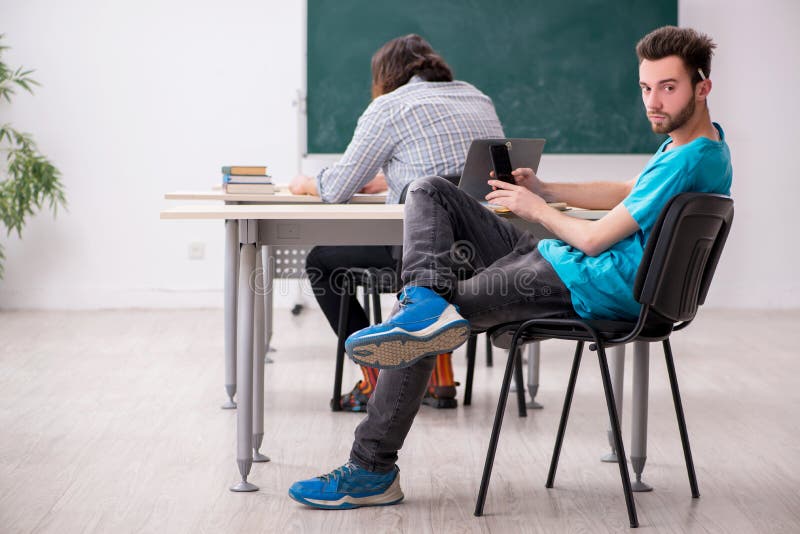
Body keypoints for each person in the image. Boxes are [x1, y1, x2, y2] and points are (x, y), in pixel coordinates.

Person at [288, 25, 732, 510]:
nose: (654, 101)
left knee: (424, 329)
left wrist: (533, 208)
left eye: (668, 87)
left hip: (585, 283)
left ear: (702, 86)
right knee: (430, 188)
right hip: (565, 267)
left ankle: (371, 468)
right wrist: (548, 189)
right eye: (647, 88)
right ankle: (423, 301)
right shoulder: (700, 148)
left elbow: (592, 236)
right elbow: (629, 189)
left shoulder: (687, 160)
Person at [289, 34, 504, 411]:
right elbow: (464, 177)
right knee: (442, 269)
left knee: (320, 261)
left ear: (385, 76)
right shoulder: (476, 96)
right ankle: (439, 380)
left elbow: (337, 189)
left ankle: (375, 378)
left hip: (418, 260)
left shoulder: (389, 106)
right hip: (483, 259)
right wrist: (394, 179)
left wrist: (305, 183)